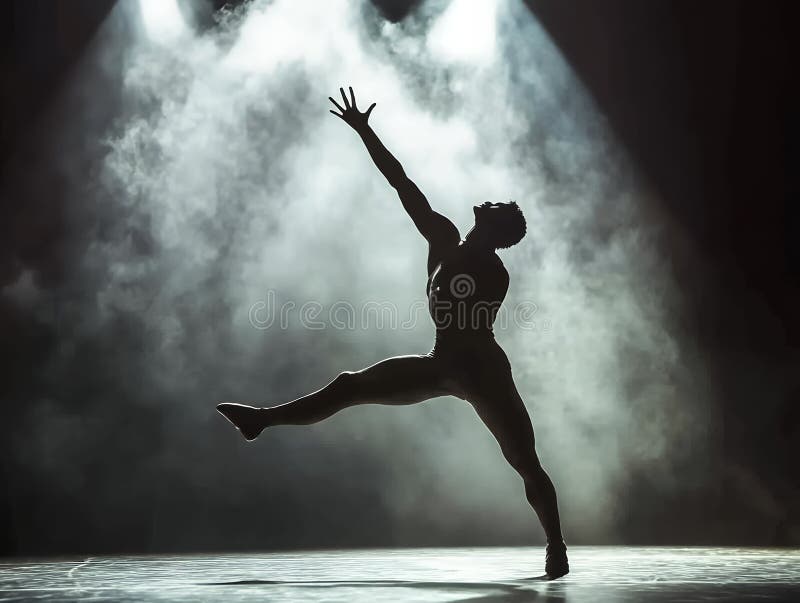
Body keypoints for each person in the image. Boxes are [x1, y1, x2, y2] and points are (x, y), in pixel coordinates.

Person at [218, 87, 569, 578]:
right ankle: (262, 419)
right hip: (441, 363)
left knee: (524, 460)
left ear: (496, 228)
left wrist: (458, 286)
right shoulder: (444, 238)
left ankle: (556, 545)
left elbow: (466, 315)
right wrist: (366, 132)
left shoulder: (492, 270)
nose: (485, 201)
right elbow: (403, 184)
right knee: (348, 385)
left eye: (495, 206)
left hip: (481, 369)